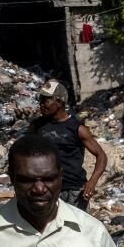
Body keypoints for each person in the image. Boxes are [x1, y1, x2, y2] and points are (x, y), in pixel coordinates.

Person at [30, 80, 107, 209]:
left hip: (74, 192)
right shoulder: (37, 126)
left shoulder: (77, 129)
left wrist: (92, 182)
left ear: (59, 102)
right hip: (46, 190)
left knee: (78, 222)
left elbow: (101, 156)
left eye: (45, 100)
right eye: (40, 100)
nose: (41, 104)